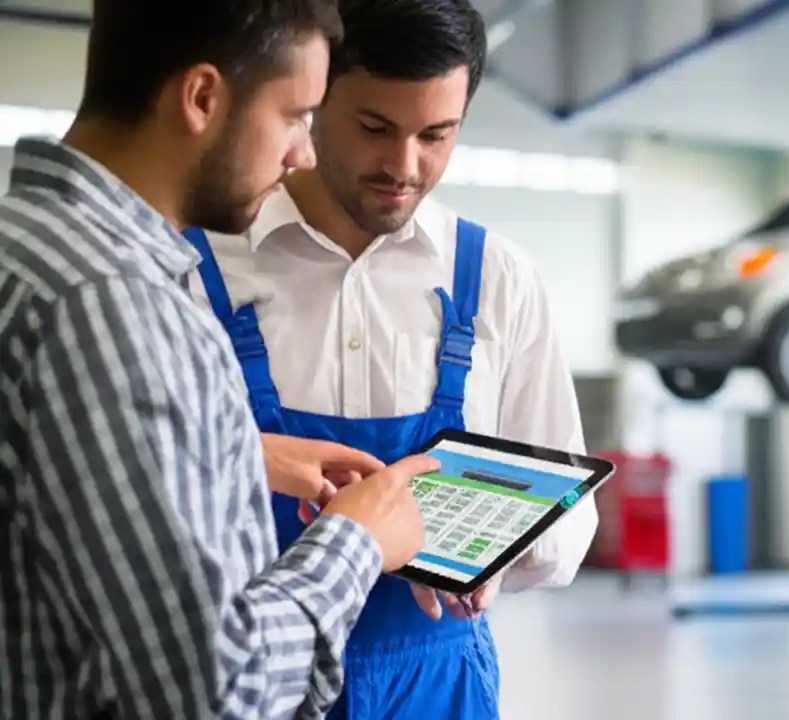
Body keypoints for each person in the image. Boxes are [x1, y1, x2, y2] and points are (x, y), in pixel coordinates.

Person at [0, 2, 435, 718]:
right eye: (296, 116)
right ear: (201, 97)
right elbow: (208, 692)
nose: (304, 154)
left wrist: (232, 451)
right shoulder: (112, 305)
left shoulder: (31, 246)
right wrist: (355, 542)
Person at [185, 0, 600, 717]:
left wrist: (493, 556)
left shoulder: (496, 280)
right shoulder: (197, 269)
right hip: (255, 679)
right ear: (315, 97)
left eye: (436, 135)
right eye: (375, 128)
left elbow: (568, 512)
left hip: (440, 681)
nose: (404, 167)